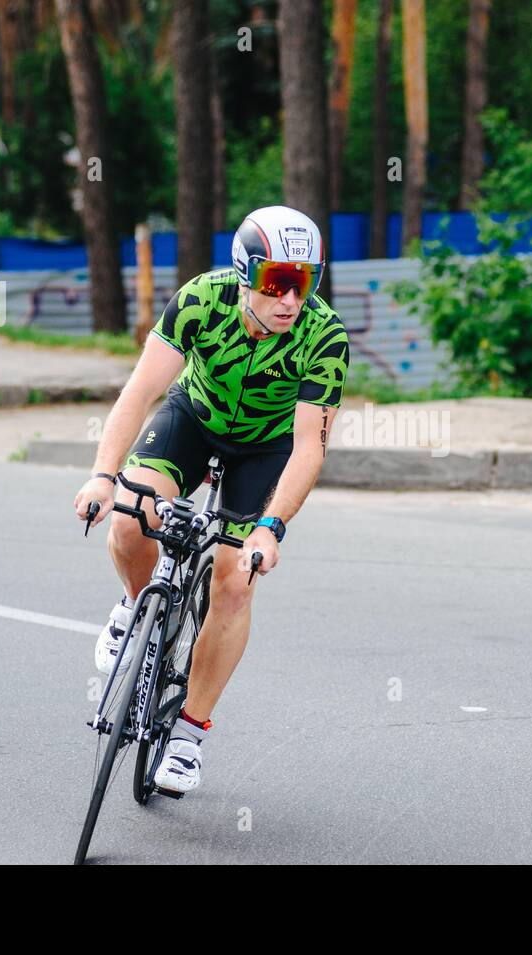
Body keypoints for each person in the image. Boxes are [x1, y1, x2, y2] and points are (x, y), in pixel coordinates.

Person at [72, 205, 349, 794]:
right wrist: (102, 474)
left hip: (267, 449)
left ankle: (189, 736)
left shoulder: (324, 336)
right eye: (277, 282)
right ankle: (132, 605)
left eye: (306, 282)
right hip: (193, 419)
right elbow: (142, 389)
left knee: (233, 580)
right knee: (130, 519)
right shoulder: (203, 299)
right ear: (245, 273)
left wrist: (270, 527)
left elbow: (308, 450)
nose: (291, 299)